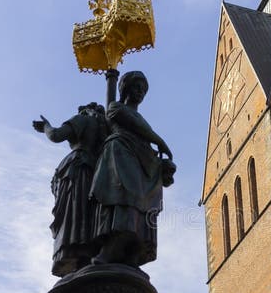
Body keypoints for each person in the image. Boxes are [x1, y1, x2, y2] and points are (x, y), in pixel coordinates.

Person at [90, 70, 175, 267]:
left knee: (145, 205)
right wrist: (159, 140)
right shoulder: (115, 107)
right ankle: (111, 247)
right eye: (136, 87)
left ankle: (133, 252)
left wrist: (162, 165)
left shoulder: (143, 122)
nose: (140, 92)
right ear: (125, 88)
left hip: (139, 161)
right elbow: (131, 123)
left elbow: (144, 140)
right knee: (125, 199)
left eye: (143, 89)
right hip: (120, 155)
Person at [33, 103, 107, 276]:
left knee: (73, 212)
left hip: (76, 168)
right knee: (85, 213)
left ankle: (75, 250)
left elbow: (56, 136)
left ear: (85, 110)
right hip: (93, 171)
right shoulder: (103, 129)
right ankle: (88, 253)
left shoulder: (82, 119)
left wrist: (45, 126)